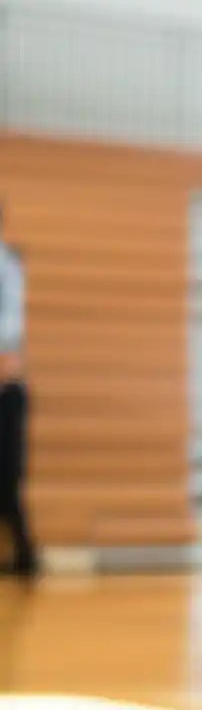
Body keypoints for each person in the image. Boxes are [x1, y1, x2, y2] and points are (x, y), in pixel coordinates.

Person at [0, 204, 35, 577]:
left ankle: (26, 556)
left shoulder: (7, 265)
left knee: (7, 479)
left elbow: (9, 330)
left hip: (6, 390)